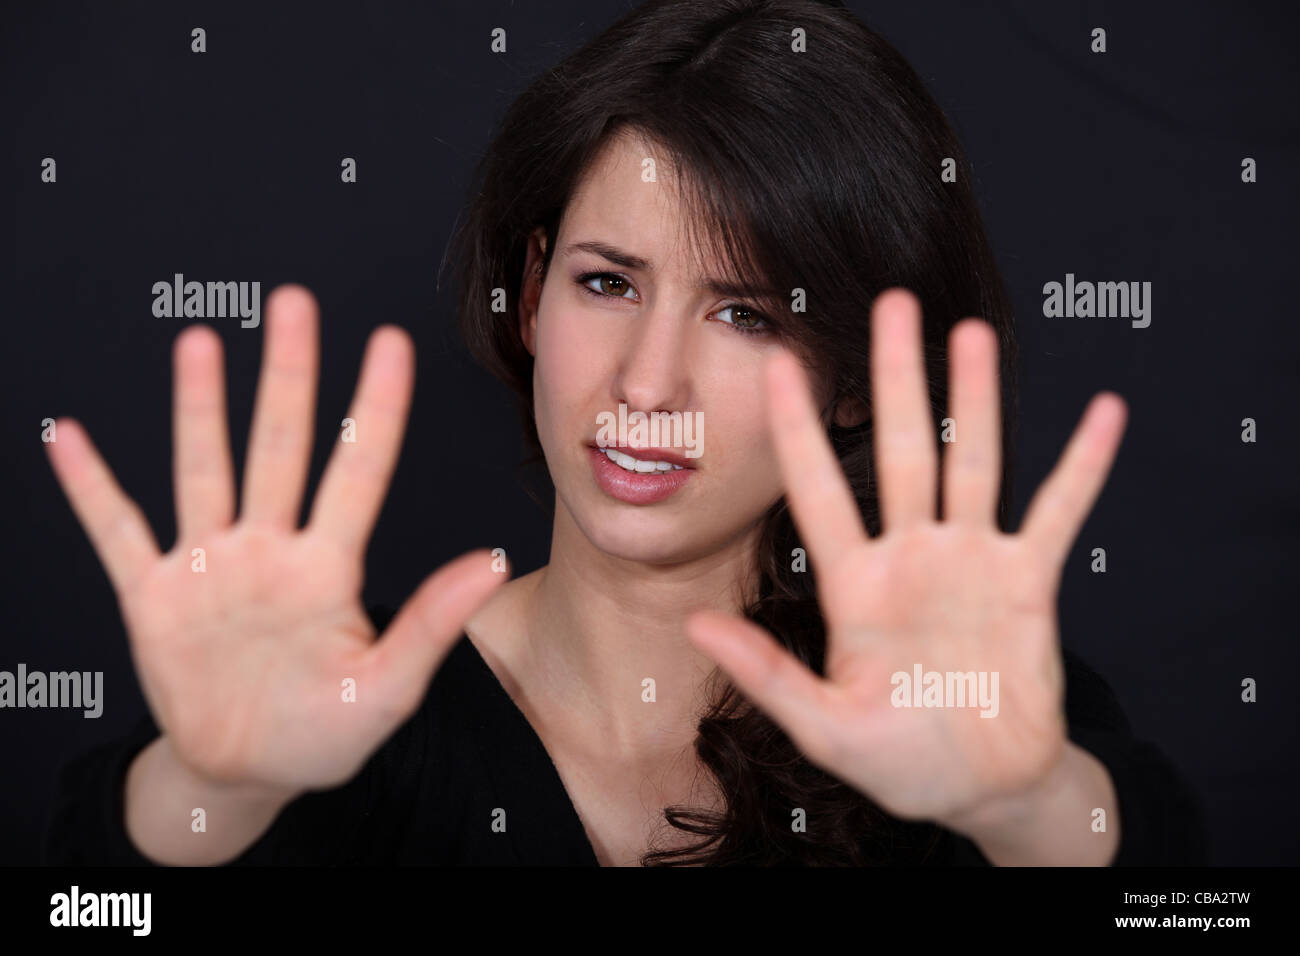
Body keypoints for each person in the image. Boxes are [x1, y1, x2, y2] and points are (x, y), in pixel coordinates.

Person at [42, 0, 1206, 866]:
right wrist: (202, 791)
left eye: (746, 312)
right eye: (608, 283)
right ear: (532, 292)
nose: (651, 381)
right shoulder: (330, 712)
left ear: (852, 380)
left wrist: (1029, 809)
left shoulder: (962, 708)